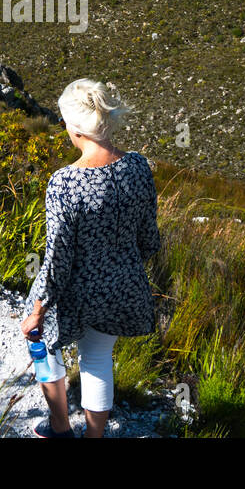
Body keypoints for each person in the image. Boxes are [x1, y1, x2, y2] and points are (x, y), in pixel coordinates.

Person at [20, 78, 161, 438]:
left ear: (76, 128)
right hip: (123, 285)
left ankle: (60, 426)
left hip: (75, 290)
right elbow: (149, 239)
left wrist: (38, 308)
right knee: (97, 360)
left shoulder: (65, 183)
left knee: (41, 341)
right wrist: (123, 267)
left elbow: (57, 257)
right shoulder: (139, 167)